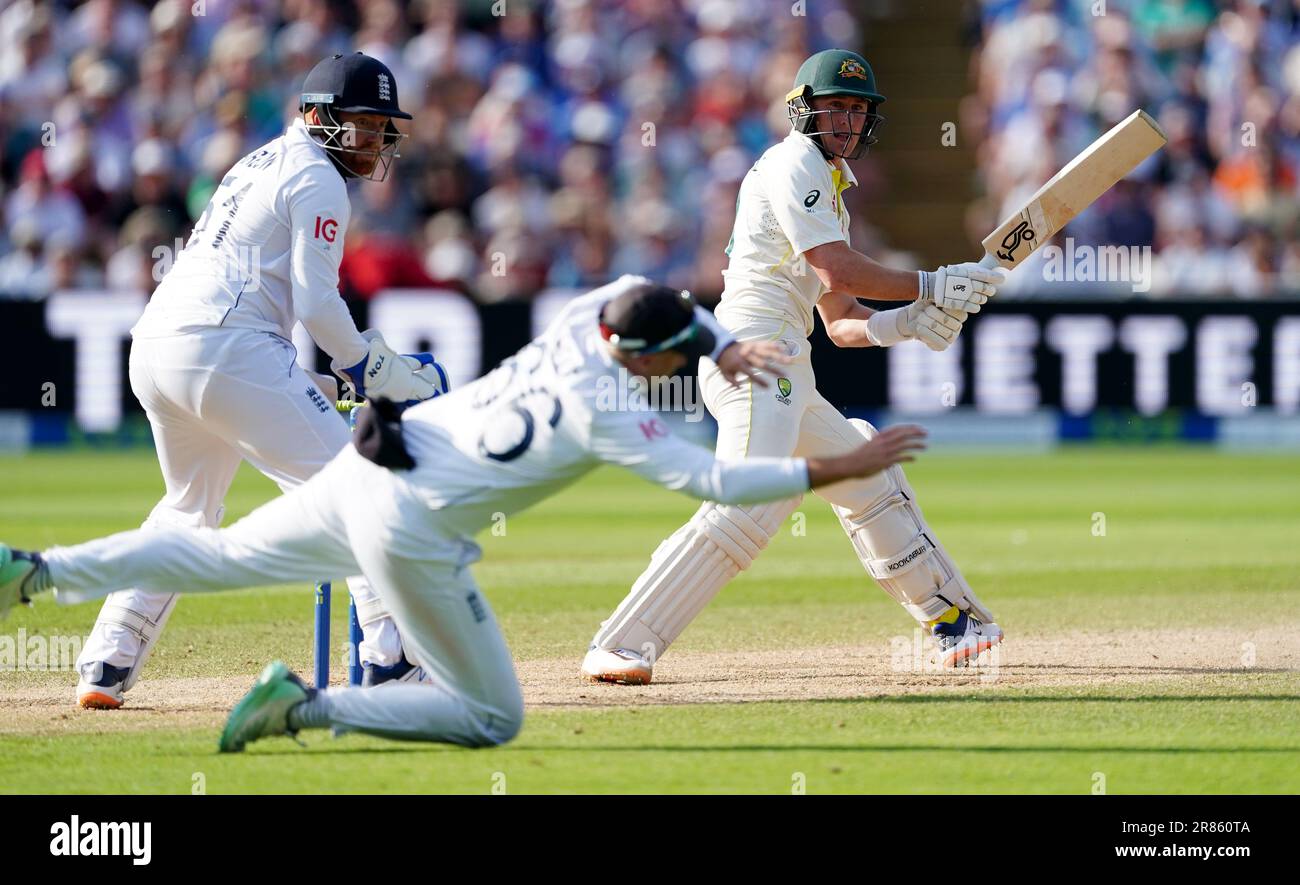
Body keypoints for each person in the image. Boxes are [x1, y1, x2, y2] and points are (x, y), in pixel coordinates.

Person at [0, 276, 929, 751]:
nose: (684, 360)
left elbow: (651, 290)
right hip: (411, 530)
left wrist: (716, 342)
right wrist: (833, 466)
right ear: (642, 358)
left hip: (369, 462)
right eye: (677, 353)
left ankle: (37, 570)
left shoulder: (580, 319)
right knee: (490, 717)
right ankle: (305, 706)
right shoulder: (617, 417)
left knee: (214, 553)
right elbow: (720, 488)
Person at [580, 49, 1007, 686]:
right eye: (834, 106)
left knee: (865, 468)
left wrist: (910, 323)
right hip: (754, 353)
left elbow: (839, 319)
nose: (846, 120)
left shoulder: (832, 192)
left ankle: (955, 622)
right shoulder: (794, 162)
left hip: (789, 366)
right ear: (803, 109)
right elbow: (839, 268)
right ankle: (622, 643)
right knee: (749, 499)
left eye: (857, 109)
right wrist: (930, 284)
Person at [73, 52, 448, 710]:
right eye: (358, 126)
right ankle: (394, 661)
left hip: (159, 346)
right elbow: (316, 304)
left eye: (379, 128)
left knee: (188, 509)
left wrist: (341, 373)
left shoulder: (261, 161)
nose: (371, 144)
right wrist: (367, 367)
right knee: (358, 487)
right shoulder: (317, 178)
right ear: (316, 115)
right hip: (227, 347)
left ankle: (108, 656)